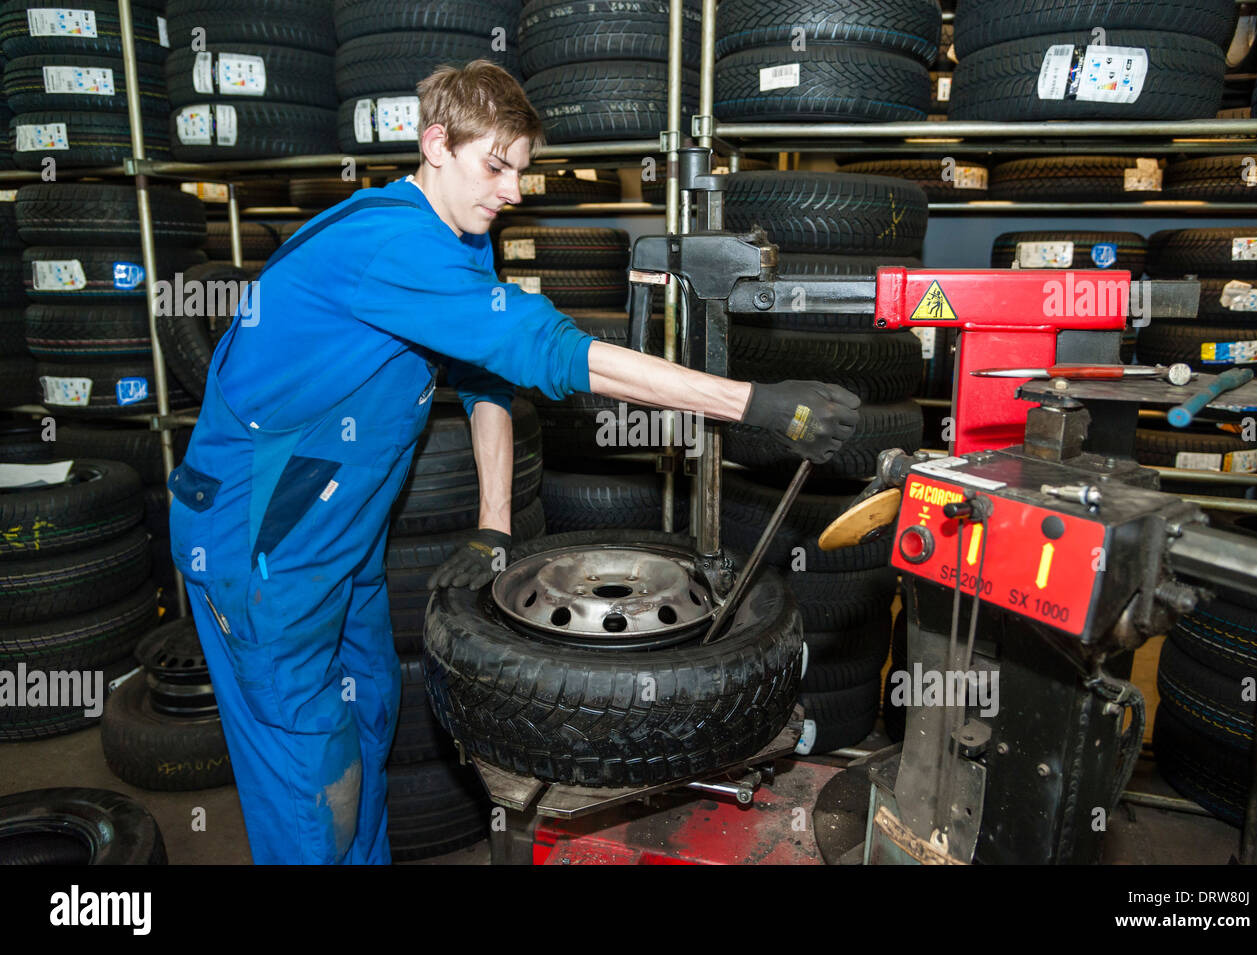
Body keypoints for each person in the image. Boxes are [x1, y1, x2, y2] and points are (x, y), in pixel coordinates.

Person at [168, 59, 861, 864]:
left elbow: (486, 375)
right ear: (436, 144)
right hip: (261, 539)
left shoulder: (456, 239)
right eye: (495, 165)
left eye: (522, 170)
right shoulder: (390, 246)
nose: (513, 190)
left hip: (337, 532)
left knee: (370, 713)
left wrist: (494, 526)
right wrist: (758, 405)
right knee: (313, 767)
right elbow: (547, 352)